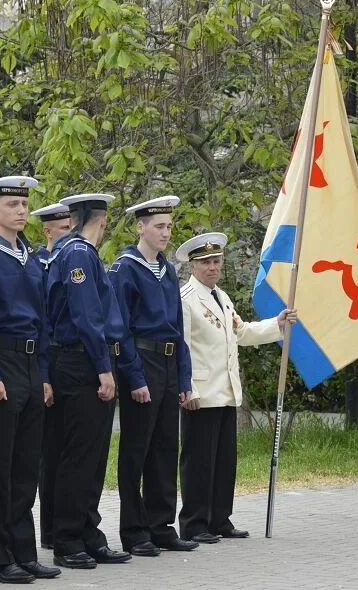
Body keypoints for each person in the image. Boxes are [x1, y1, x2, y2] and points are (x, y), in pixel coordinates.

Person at [175, 233, 296, 543]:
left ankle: (219, 519)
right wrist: (187, 388)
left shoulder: (223, 297)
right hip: (200, 393)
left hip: (226, 391)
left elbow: (241, 333)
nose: (213, 267)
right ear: (193, 266)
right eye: (206, 263)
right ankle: (194, 522)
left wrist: (277, 323)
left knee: (223, 461)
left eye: (216, 261)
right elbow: (182, 347)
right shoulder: (186, 298)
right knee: (198, 462)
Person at [0, 175, 60, 583]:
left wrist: (41, 372)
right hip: (1, 360)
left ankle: (24, 550)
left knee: (26, 467)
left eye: (24, 205)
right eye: (11, 205)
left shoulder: (31, 255)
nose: (21, 211)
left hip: (28, 363)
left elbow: (41, 321)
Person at [46, 193, 131, 570]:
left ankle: (87, 532)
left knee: (93, 457)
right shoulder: (78, 253)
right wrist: (103, 367)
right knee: (80, 457)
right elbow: (85, 315)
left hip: (85, 359)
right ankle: (67, 538)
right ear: (103, 221)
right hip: (81, 362)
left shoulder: (78, 251)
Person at [108, 196, 198, 556]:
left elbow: (177, 327)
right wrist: (133, 376)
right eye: (159, 225)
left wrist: (184, 378)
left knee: (164, 447)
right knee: (136, 449)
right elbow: (120, 329)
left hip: (167, 360)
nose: (166, 232)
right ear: (140, 227)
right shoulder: (125, 268)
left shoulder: (168, 269)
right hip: (141, 361)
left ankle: (161, 524)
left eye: (169, 225)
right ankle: (134, 530)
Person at [29, 201, 71, 550]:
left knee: (62, 447)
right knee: (49, 450)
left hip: (58, 359)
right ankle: (48, 530)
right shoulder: (40, 262)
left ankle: (62, 525)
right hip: (50, 358)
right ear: (47, 230)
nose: (69, 233)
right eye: (63, 228)